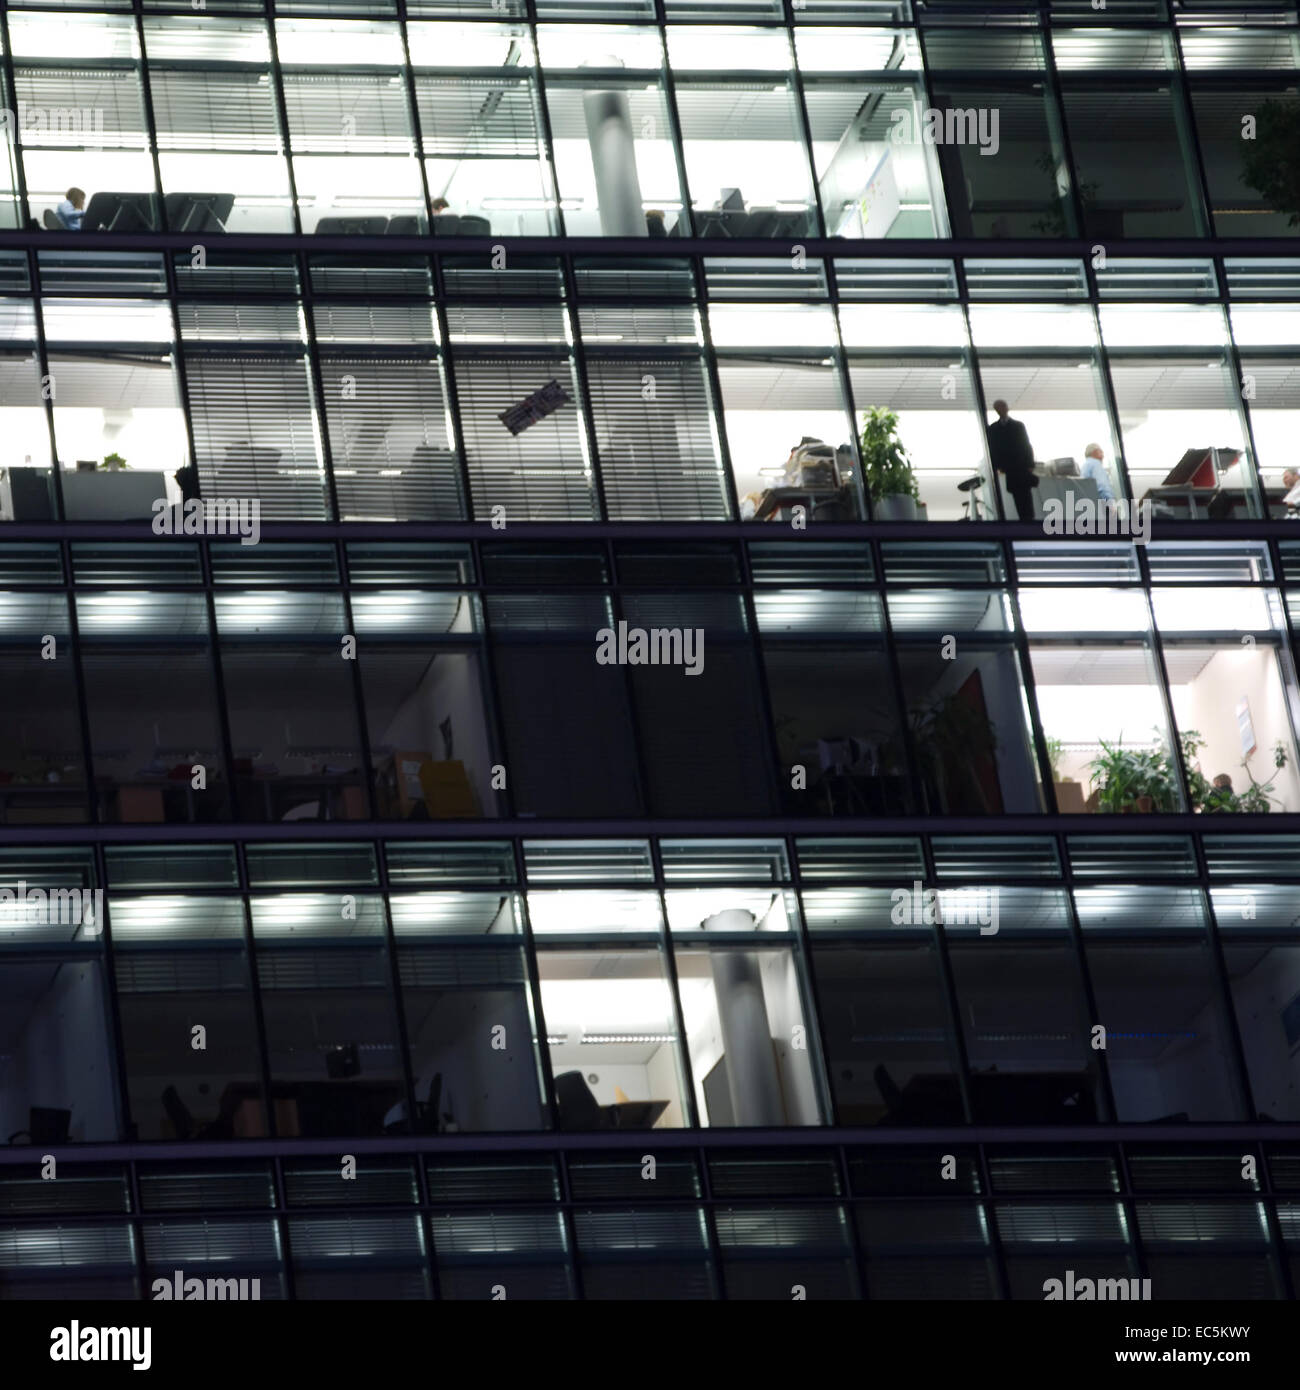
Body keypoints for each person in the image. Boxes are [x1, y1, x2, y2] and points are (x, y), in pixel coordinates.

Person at [986, 399, 1037, 520]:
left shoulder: (1015, 426)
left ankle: (1027, 521)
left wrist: (1030, 464)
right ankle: (1026, 521)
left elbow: (1026, 445)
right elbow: (994, 449)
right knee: (1020, 497)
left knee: (1024, 498)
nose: (1001, 410)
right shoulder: (994, 428)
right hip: (1011, 469)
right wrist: (997, 466)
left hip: (1020, 467)